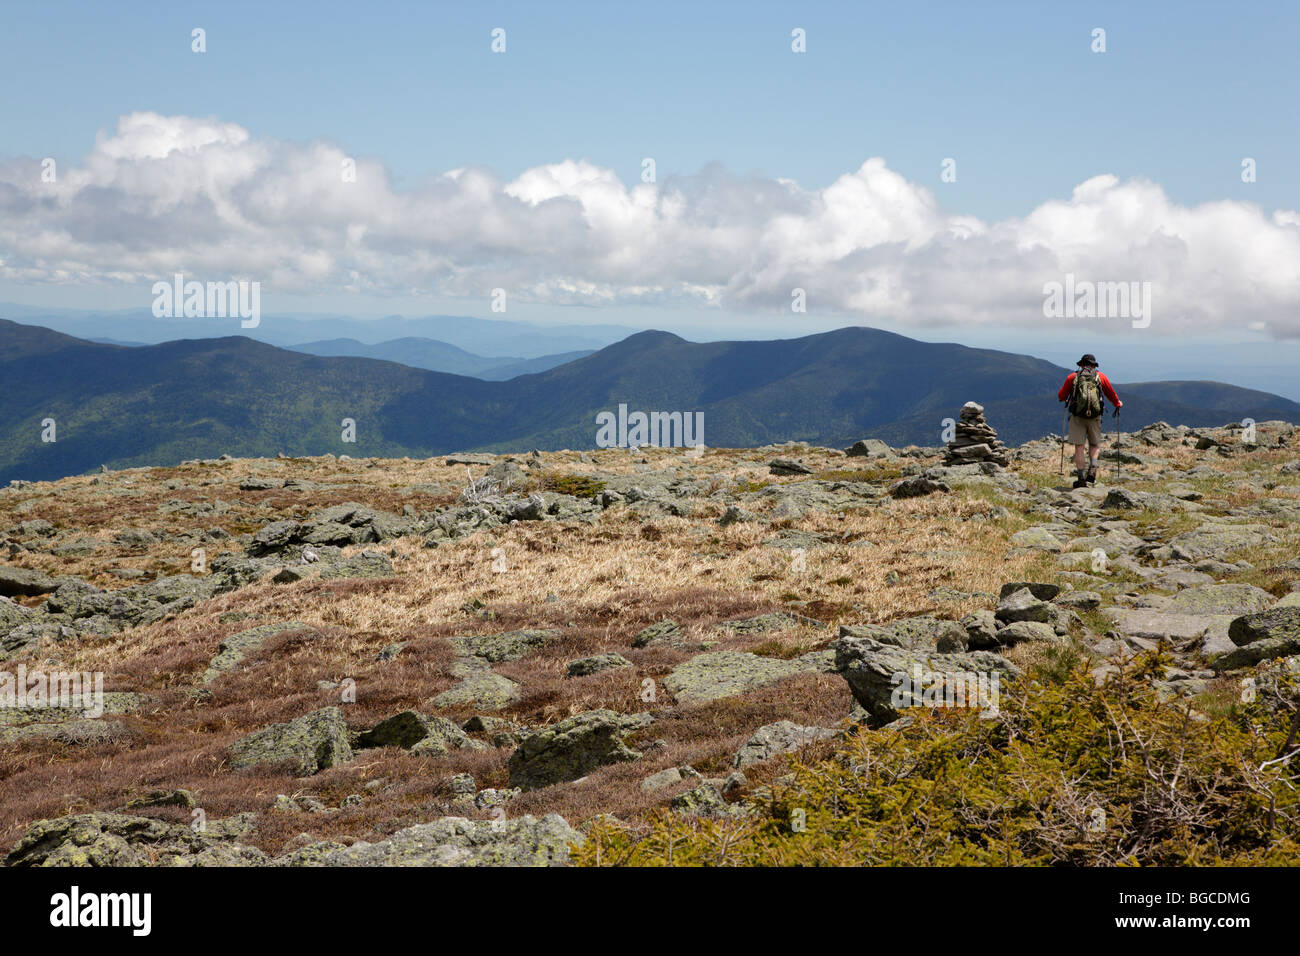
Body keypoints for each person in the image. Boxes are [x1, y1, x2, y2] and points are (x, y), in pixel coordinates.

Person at [1058, 353, 1122, 488]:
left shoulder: (1073, 377)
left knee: (1079, 446)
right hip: (1094, 416)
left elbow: (1061, 395)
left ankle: (1081, 477)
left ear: (1081, 364)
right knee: (1094, 444)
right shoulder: (1101, 377)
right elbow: (1110, 393)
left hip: (1077, 416)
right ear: (1094, 365)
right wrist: (1117, 403)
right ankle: (1093, 467)